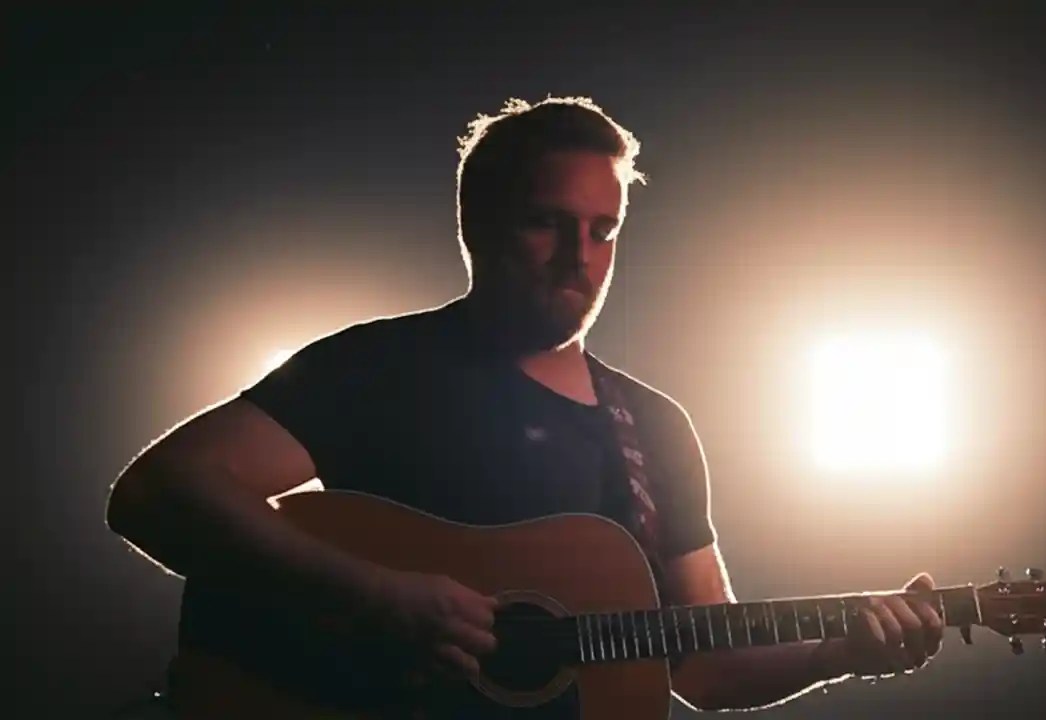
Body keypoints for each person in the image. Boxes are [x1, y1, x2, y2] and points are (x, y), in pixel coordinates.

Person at [105, 95, 943, 716]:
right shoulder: (380, 366)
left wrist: (840, 652)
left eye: (603, 229)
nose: (580, 257)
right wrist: (376, 596)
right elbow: (157, 492)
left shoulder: (654, 428)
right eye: (548, 223)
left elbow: (700, 663)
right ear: (479, 222)